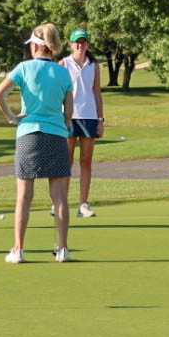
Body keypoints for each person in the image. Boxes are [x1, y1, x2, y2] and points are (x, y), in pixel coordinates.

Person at [0, 24, 75, 263]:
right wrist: (64, 126)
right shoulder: (63, 72)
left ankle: (18, 250)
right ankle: (63, 249)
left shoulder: (23, 67)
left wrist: (11, 117)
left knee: (24, 196)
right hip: (57, 136)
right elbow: (69, 112)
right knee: (59, 197)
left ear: (37, 44)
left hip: (28, 134)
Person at [60, 28, 104, 218]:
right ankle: (60, 202)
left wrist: (100, 119)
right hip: (68, 116)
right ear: (70, 44)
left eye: (83, 41)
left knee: (85, 162)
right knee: (66, 162)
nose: (80, 45)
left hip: (89, 116)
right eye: (77, 42)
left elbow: (96, 93)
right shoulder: (62, 64)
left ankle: (83, 205)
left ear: (88, 44)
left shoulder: (93, 66)